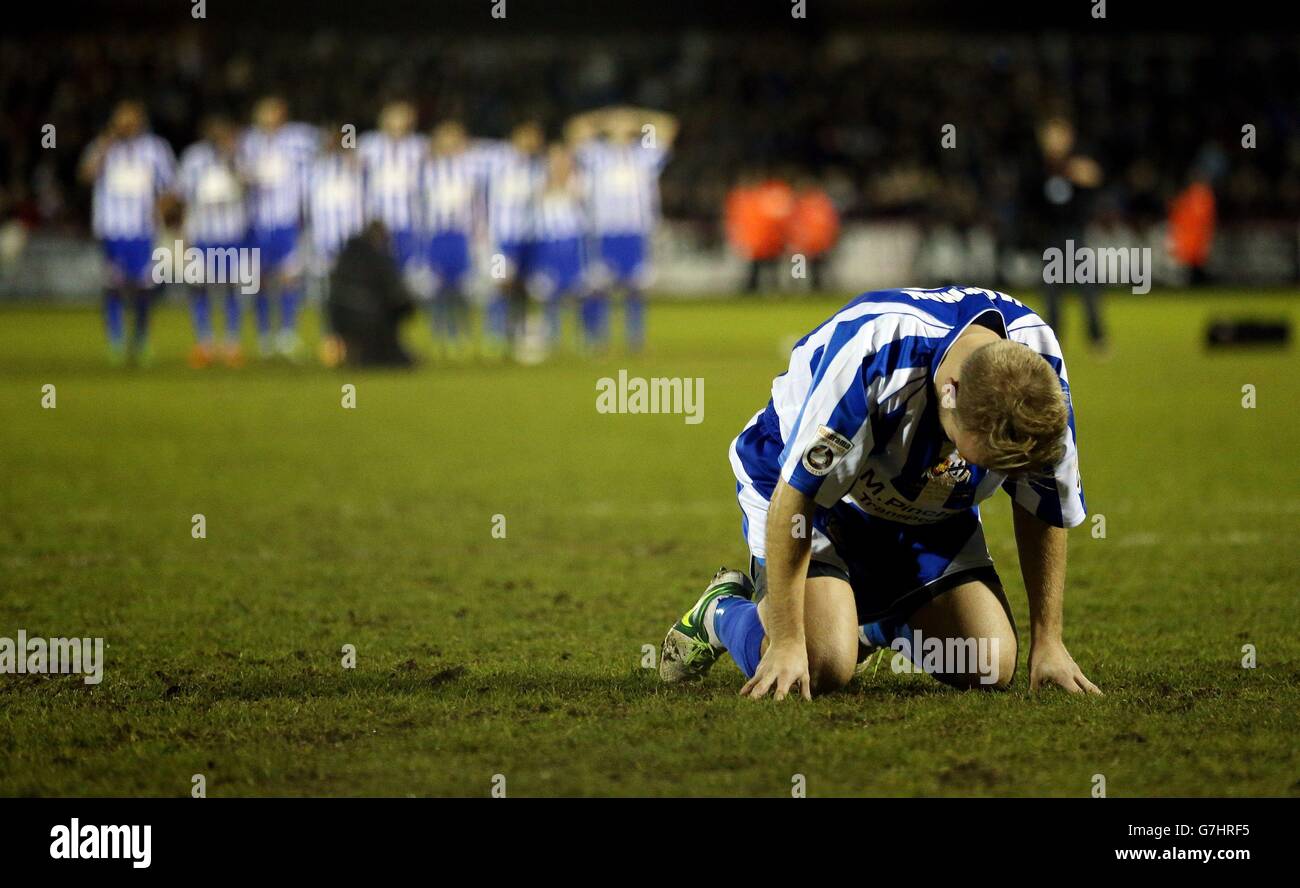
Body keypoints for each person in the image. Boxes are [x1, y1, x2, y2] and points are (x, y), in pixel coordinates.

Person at [659, 285, 1100, 699]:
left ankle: (870, 621)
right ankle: (722, 613)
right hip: (809, 495)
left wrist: (1050, 642)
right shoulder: (873, 356)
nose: (985, 473)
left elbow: (1042, 502)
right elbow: (796, 498)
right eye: (981, 459)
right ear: (950, 392)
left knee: (987, 664)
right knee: (820, 664)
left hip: (925, 504)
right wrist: (789, 640)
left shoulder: (1039, 374)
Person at [567, 105, 677, 350]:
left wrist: (635, 118)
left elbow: (667, 126)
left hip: (636, 232)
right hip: (605, 232)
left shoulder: (644, 154)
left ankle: (635, 340)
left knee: (636, 287)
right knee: (599, 286)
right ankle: (597, 339)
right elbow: (574, 130)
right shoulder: (596, 155)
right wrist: (606, 119)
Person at [77, 100, 176, 365]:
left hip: (142, 230)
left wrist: (159, 210)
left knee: (144, 287)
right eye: (122, 120)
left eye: (131, 120)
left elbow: (169, 188)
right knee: (114, 286)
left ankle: (141, 339)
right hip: (112, 228)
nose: (127, 125)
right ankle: (116, 342)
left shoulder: (156, 149)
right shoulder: (102, 147)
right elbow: (86, 175)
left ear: (141, 121)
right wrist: (106, 143)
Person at [238, 95, 318, 358]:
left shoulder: (299, 139)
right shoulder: (248, 142)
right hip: (257, 221)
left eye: (274, 112)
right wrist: (247, 178)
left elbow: (321, 155)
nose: (270, 118)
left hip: (286, 220)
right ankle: (263, 336)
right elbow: (238, 173)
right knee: (259, 281)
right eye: (265, 112)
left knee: (288, 279)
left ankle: (286, 333)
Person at [1029, 115, 1107, 353]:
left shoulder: (1077, 164)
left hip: (1074, 234)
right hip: (1051, 235)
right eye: (1050, 136)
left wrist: (1076, 171)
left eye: (1058, 136)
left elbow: (1095, 176)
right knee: (1051, 293)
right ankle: (1053, 340)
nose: (1054, 142)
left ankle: (1097, 337)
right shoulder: (1039, 168)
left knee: (1087, 289)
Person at [177, 114, 247, 368]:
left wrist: (232, 162)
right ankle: (204, 343)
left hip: (231, 235)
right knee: (199, 289)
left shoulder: (238, 156)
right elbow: (182, 197)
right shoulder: (193, 158)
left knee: (231, 288)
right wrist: (183, 235)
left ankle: (231, 344)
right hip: (201, 236)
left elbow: (249, 186)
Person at [479, 120, 546, 355]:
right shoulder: (496, 159)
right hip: (501, 237)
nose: (532, 142)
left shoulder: (537, 167)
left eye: (536, 137)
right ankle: (494, 336)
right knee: (500, 285)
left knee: (522, 288)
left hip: (527, 239)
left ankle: (517, 334)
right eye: (528, 136)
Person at [420, 120, 482, 355]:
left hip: (461, 236)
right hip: (437, 237)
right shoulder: (427, 171)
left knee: (462, 290)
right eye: (445, 139)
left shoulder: (471, 168)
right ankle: (438, 335)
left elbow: (478, 205)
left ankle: (461, 336)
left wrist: (479, 235)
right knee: (437, 289)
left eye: (454, 139)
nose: (450, 144)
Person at [358, 100, 426, 277]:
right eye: (393, 119)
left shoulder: (419, 146)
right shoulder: (369, 144)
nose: (397, 125)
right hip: (378, 219)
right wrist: (345, 129)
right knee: (378, 268)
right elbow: (347, 152)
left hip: (408, 218)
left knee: (406, 267)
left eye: (402, 120)